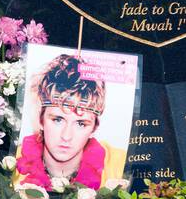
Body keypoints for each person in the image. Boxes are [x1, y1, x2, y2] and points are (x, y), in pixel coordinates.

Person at [16, 52, 124, 189]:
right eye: (58, 120)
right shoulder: (13, 162)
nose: (66, 136)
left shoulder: (117, 166)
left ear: (94, 128)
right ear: (41, 119)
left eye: (81, 124)